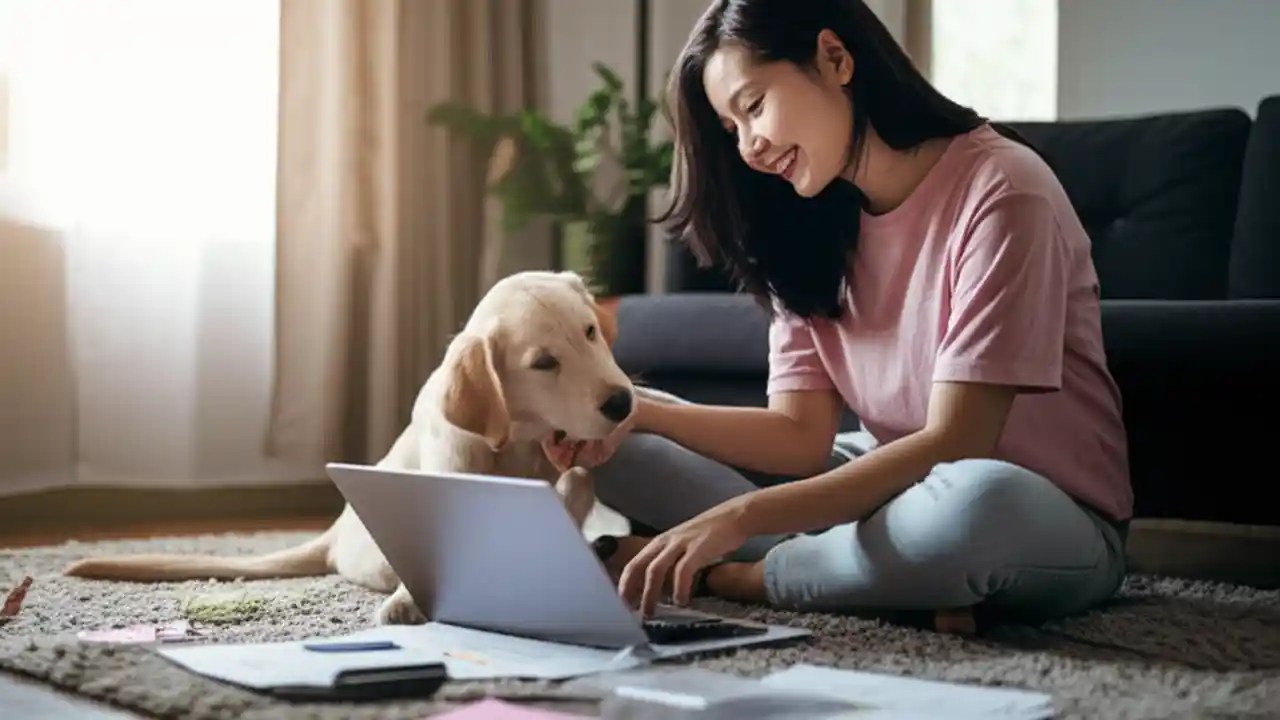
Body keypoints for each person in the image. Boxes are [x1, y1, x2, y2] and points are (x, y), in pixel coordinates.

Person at [543, 0, 1132, 634]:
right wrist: (640, 410)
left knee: (972, 510)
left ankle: (741, 576)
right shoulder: (810, 221)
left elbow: (957, 444)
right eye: (731, 129)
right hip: (883, 484)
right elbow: (799, 436)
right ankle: (863, 576)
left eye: (754, 106)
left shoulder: (1003, 191)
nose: (750, 147)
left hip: (1034, 511)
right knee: (624, 452)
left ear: (835, 58)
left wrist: (741, 519)